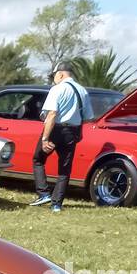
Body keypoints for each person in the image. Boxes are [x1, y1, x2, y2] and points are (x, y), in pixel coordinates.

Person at [31, 60, 93, 213]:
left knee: (38, 159)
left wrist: (45, 138)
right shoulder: (82, 91)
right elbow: (87, 117)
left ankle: (43, 193)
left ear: (60, 74)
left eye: (54, 76)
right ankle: (56, 204)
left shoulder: (57, 89)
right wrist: (79, 133)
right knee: (64, 169)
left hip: (55, 130)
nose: (54, 79)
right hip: (72, 132)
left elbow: (52, 114)